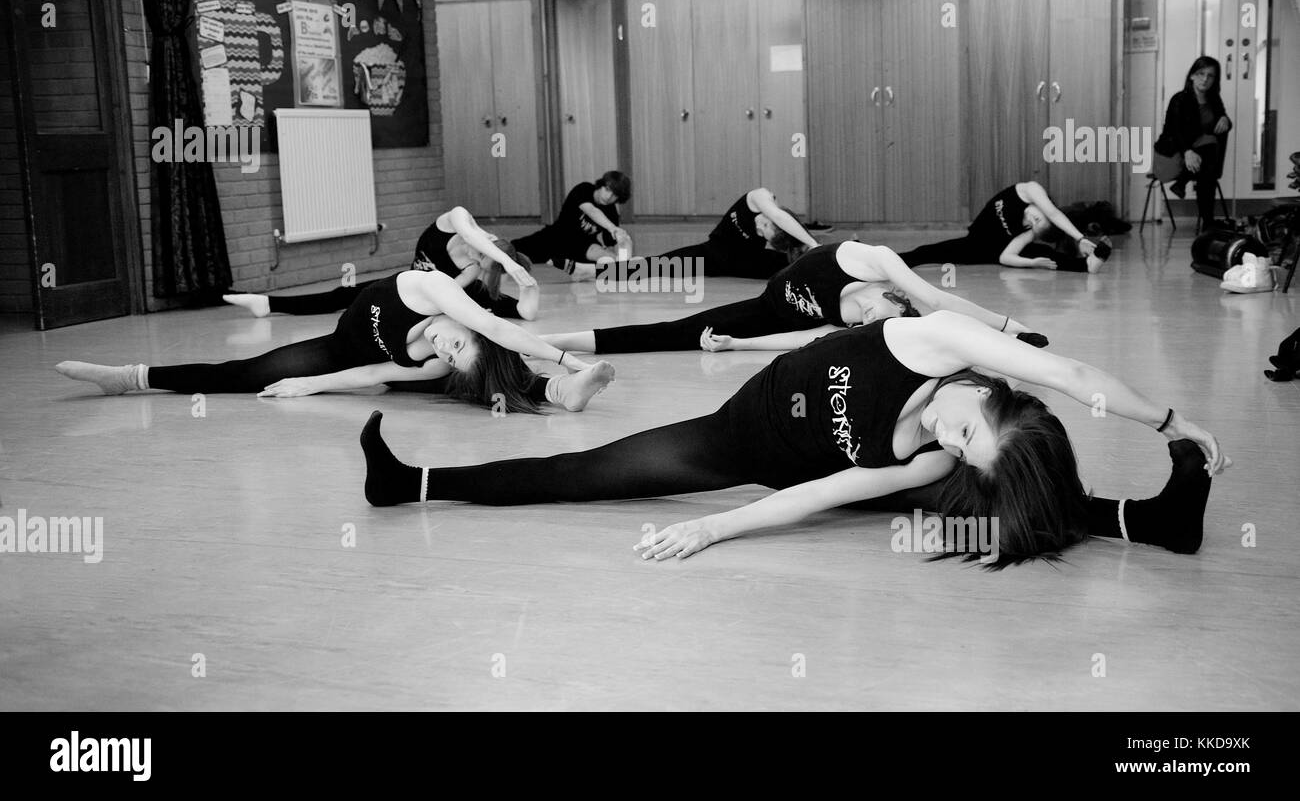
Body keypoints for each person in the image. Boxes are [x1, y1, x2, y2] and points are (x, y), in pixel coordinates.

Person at [359, 312, 1229, 567]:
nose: (949, 440)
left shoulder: (929, 455)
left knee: (987, 500)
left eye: (959, 447)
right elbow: (1072, 377)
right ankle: (415, 483)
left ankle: (1152, 524)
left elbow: (816, 496)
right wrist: (1166, 419)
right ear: (980, 389)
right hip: (730, 433)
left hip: (758, 473)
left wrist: (711, 527)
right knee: (586, 472)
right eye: (966, 429)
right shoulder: (939, 342)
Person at [57, 269, 613, 414]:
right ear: (467, 326)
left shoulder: (434, 367)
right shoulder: (432, 290)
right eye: (456, 345)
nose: (446, 350)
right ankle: (130, 378)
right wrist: (565, 352)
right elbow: (496, 330)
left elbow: (371, 376)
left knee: (477, 386)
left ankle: (556, 392)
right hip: (335, 341)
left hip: (339, 361)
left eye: (451, 357)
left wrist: (309, 385)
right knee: (239, 372)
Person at [540, 241, 1046, 356]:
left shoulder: (859, 323)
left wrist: (737, 345)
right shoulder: (873, 261)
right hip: (765, 297)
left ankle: (553, 343)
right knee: (671, 326)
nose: (871, 318)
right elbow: (939, 300)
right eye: (883, 311)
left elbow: (803, 340)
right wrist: (1007, 326)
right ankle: (544, 338)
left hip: (760, 318)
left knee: (677, 337)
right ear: (895, 295)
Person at [223, 206, 539, 321]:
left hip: (415, 300)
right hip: (400, 284)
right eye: (478, 253)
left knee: (499, 305)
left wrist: (525, 286)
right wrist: (504, 261)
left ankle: (267, 304)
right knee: (342, 294)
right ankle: (266, 303)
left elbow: (443, 300)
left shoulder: (471, 271)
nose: (473, 258)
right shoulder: (457, 219)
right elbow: (472, 235)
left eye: (479, 262)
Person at [564, 187, 819, 282]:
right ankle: (591, 271)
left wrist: (808, 252)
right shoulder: (760, 198)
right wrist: (812, 242)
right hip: (710, 254)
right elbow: (779, 217)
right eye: (765, 224)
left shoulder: (769, 233)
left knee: (792, 271)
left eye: (764, 233)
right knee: (657, 266)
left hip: (743, 264)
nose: (760, 227)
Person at [898, 182, 1110, 273]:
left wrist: (1031, 264)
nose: (1029, 222)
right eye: (1037, 218)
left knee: (1042, 253)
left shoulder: (1027, 232)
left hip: (994, 253)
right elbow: (1054, 214)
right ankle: (888, 260)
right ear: (1044, 206)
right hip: (974, 244)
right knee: (928, 252)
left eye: (1034, 226)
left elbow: (1004, 257)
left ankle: (1087, 266)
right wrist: (1080, 238)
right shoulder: (1028, 191)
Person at [1156, 56, 1233, 229]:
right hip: (1173, 156)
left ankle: (1183, 185)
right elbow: (1173, 130)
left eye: (1210, 76)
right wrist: (1187, 152)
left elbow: (1223, 121)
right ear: (1191, 75)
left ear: (1215, 79)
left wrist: (1226, 120)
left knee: (1209, 162)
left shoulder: (1214, 100)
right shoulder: (1179, 99)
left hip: (1200, 159)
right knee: (1209, 163)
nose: (1205, 79)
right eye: (1200, 73)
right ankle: (1208, 222)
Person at [512, 171, 632, 272]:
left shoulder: (611, 213)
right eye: (607, 190)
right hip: (557, 237)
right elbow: (591, 210)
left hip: (583, 245)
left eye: (614, 195)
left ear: (619, 198)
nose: (608, 197)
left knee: (607, 257)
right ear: (601, 185)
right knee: (515, 250)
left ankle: (609, 270)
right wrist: (612, 228)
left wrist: (623, 247)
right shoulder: (584, 189)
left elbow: (611, 243)